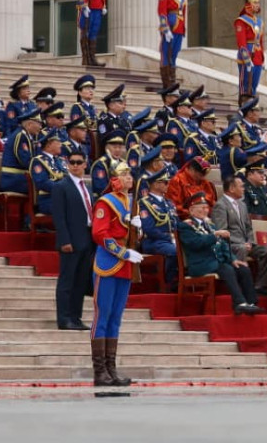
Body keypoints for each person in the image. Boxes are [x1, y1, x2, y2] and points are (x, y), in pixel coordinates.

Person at [90, 161, 143, 386]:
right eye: (125, 175)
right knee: (102, 316)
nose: (130, 178)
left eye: (130, 175)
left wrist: (138, 230)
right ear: (115, 179)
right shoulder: (106, 202)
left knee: (115, 318)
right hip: (109, 261)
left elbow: (131, 235)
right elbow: (99, 234)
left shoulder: (132, 203)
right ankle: (99, 371)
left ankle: (111, 369)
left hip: (126, 264)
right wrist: (123, 253)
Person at [180, 191, 262, 314]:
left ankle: (251, 302)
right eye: (202, 208)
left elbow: (223, 245)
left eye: (206, 207)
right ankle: (239, 302)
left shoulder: (210, 225)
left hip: (215, 263)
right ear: (191, 210)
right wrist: (215, 235)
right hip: (200, 264)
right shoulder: (186, 226)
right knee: (226, 268)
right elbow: (195, 243)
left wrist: (233, 259)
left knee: (242, 268)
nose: (205, 210)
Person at [53, 148, 95, 331]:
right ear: (67, 164)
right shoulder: (61, 186)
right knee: (67, 281)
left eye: (79, 162)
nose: (75, 166)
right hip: (71, 239)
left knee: (81, 281)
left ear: (85, 164)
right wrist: (64, 241)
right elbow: (59, 217)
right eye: (72, 162)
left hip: (87, 238)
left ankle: (76, 317)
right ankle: (64, 318)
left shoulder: (88, 187)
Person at [138, 170, 180, 289]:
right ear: (156, 184)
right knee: (174, 251)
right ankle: (168, 282)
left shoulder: (169, 203)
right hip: (154, 241)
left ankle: (184, 280)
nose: (168, 185)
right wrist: (169, 237)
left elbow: (177, 223)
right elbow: (148, 228)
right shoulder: (145, 203)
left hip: (171, 239)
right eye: (165, 183)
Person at [157, 0, 188, 90]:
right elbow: (162, 10)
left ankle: (173, 81)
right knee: (166, 53)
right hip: (170, 24)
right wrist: (165, 29)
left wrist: (183, 27)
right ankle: (166, 83)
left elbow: (184, 11)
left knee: (174, 54)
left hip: (179, 25)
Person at [235, 0, 266, 100]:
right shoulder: (241, 21)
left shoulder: (259, 21)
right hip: (247, 54)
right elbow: (241, 42)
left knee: (254, 84)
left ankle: (251, 103)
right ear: (248, 4)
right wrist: (247, 59)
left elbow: (261, 41)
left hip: (257, 54)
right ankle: (244, 104)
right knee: (245, 85)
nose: (258, 5)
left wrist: (262, 58)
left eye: (258, 3)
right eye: (255, 3)